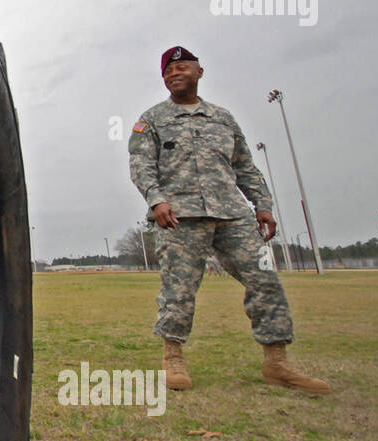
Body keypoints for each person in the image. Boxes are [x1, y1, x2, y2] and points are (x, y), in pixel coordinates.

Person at [127, 46, 330, 395]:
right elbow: (141, 166)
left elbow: (245, 166)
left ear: (199, 72)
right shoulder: (152, 120)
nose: (175, 74)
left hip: (232, 215)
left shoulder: (223, 119)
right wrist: (157, 200)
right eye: (168, 71)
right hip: (180, 217)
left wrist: (262, 206)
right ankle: (173, 359)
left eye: (182, 67)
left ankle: (276, 363)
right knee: (179, 290)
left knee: (265, 279)